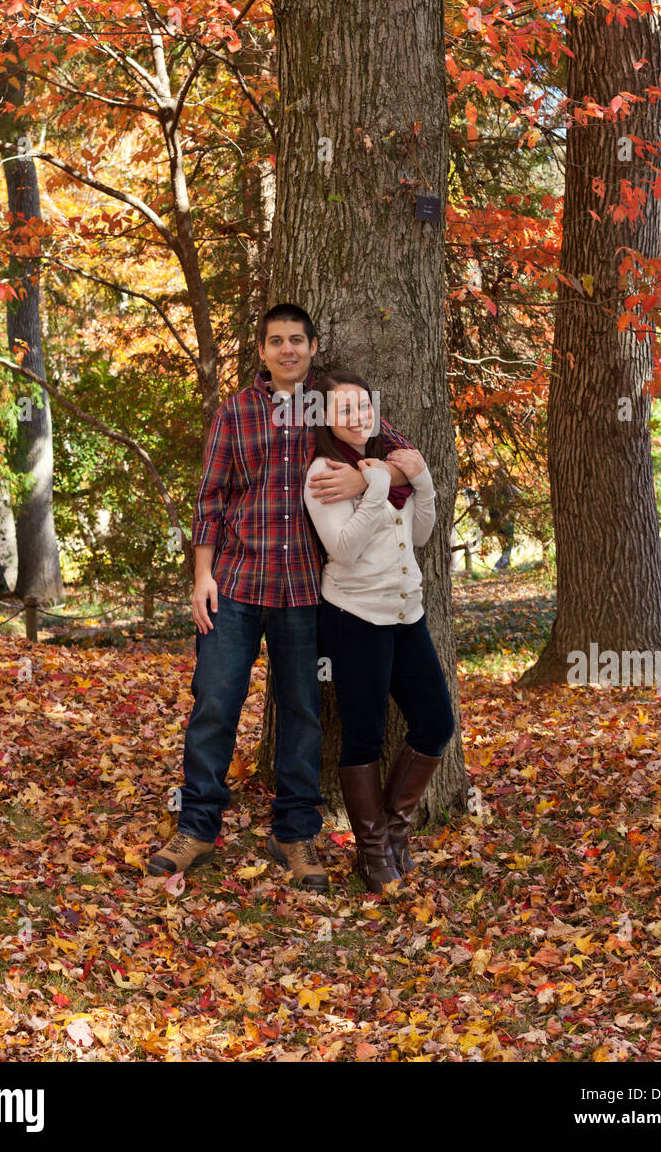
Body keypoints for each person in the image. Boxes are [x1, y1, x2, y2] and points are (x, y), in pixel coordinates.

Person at [147, 306, 414, 891]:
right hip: (236, 585)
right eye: (276, 341)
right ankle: (197, 827)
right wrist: (202, 575)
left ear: (313, 346)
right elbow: (210, 497)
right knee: (215, 705)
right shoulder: (236, 412)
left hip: (304, 591)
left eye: (297, 340)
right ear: (263, 351)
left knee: (301, 713)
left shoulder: (336, 406)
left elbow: (407, 460)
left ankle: (294, 835)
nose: (287, 350)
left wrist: (368, 478)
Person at [303, 370, 455, 892]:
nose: (357, 417)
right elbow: (341, 547)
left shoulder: (389, 463)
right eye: (344, 410)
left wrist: (421, 480)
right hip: (355, 618)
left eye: (363, 407)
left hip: (406, 613)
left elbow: (421, 532)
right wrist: (376, 485)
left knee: (435, 723)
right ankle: (372, 854)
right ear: (323, 416)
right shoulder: (324, 472)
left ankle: (393, 834)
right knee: (363, 737)